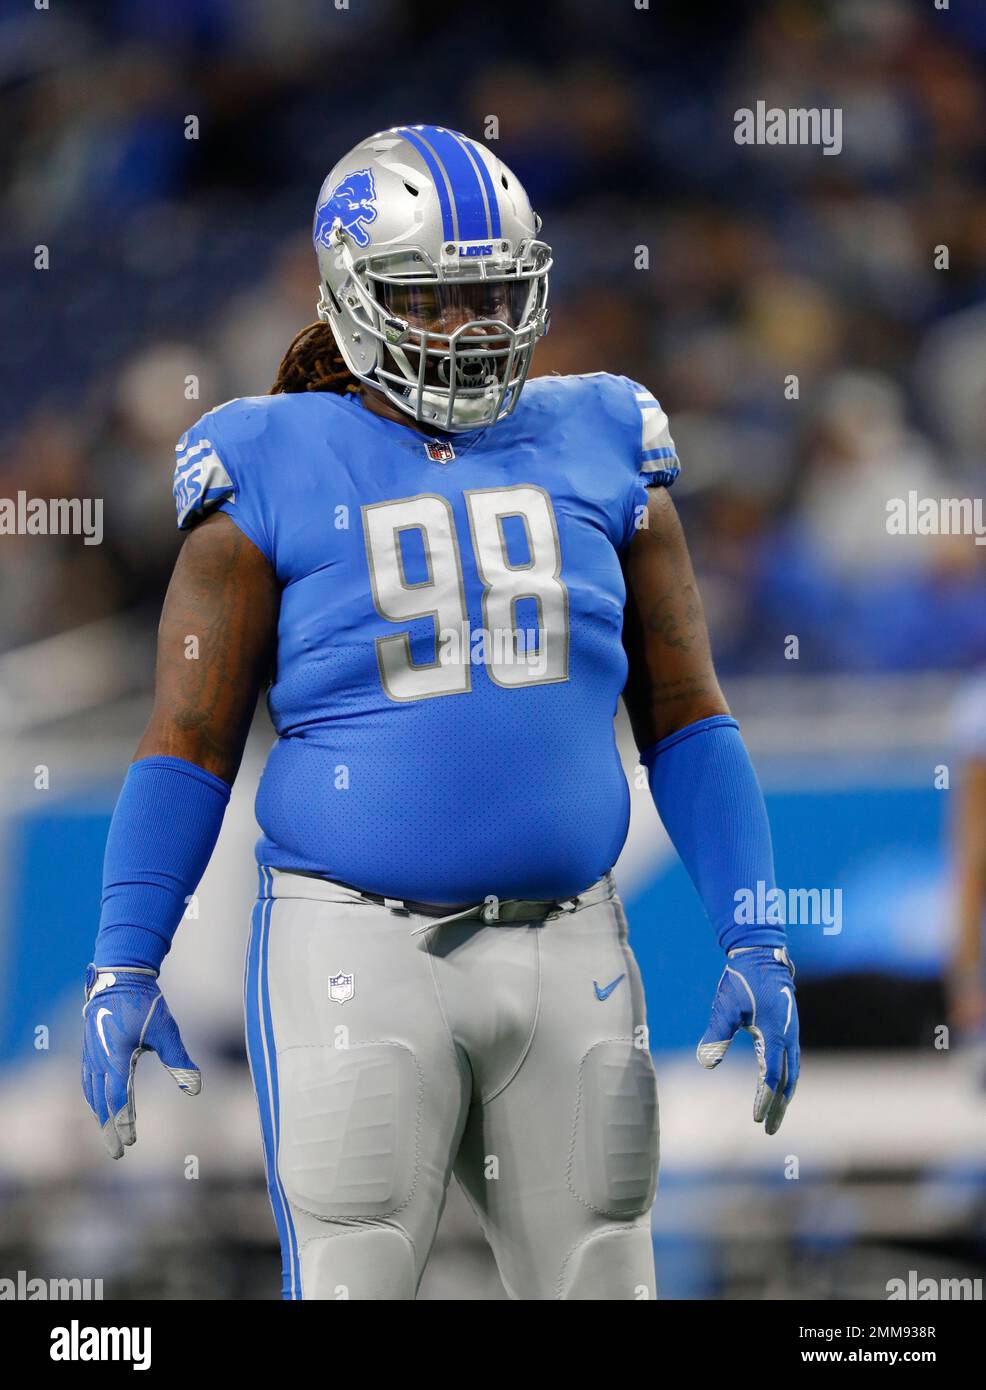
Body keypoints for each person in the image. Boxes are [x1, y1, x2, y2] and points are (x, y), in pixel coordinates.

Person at [82, 124, 799, 1300]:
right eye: (430, 298)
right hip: (353, 944)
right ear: (352, 296)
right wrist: (123, 957)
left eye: (492, 295)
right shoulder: (268, 455)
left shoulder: (606, 432)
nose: (468, 328)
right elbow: (187, 745)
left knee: (602, 1279)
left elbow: (688, 720)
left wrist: (754, 930)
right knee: (357, 1275)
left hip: (573, 941)